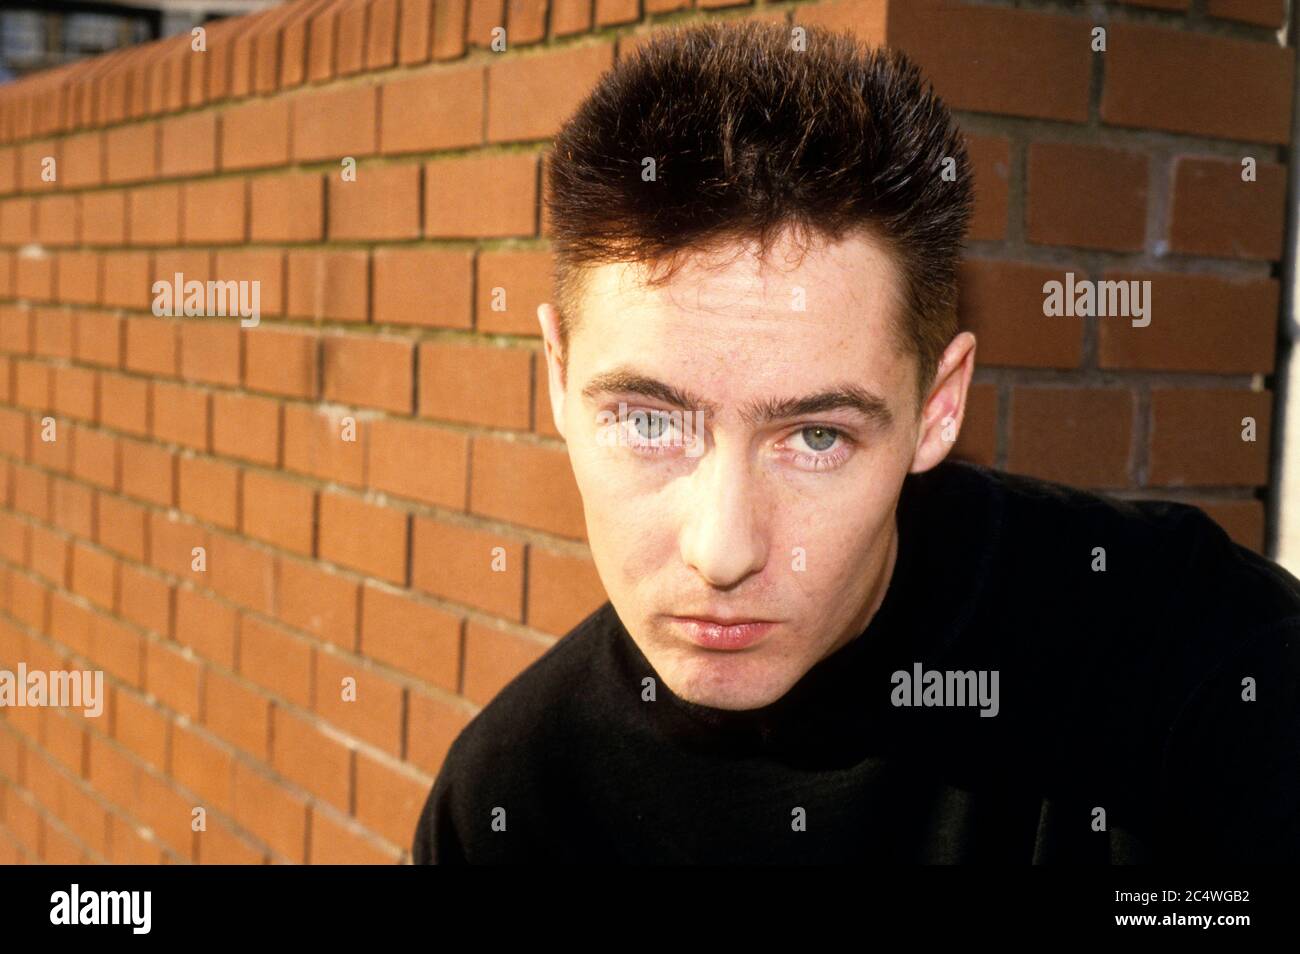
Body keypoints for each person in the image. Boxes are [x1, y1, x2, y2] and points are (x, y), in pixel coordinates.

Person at [412, 19, 1300, 863]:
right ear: (559, 383)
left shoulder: (1206, 669)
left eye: (817, 437)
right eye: (650, 422)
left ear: (937, 408)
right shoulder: (507, 805)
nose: (722, 551)